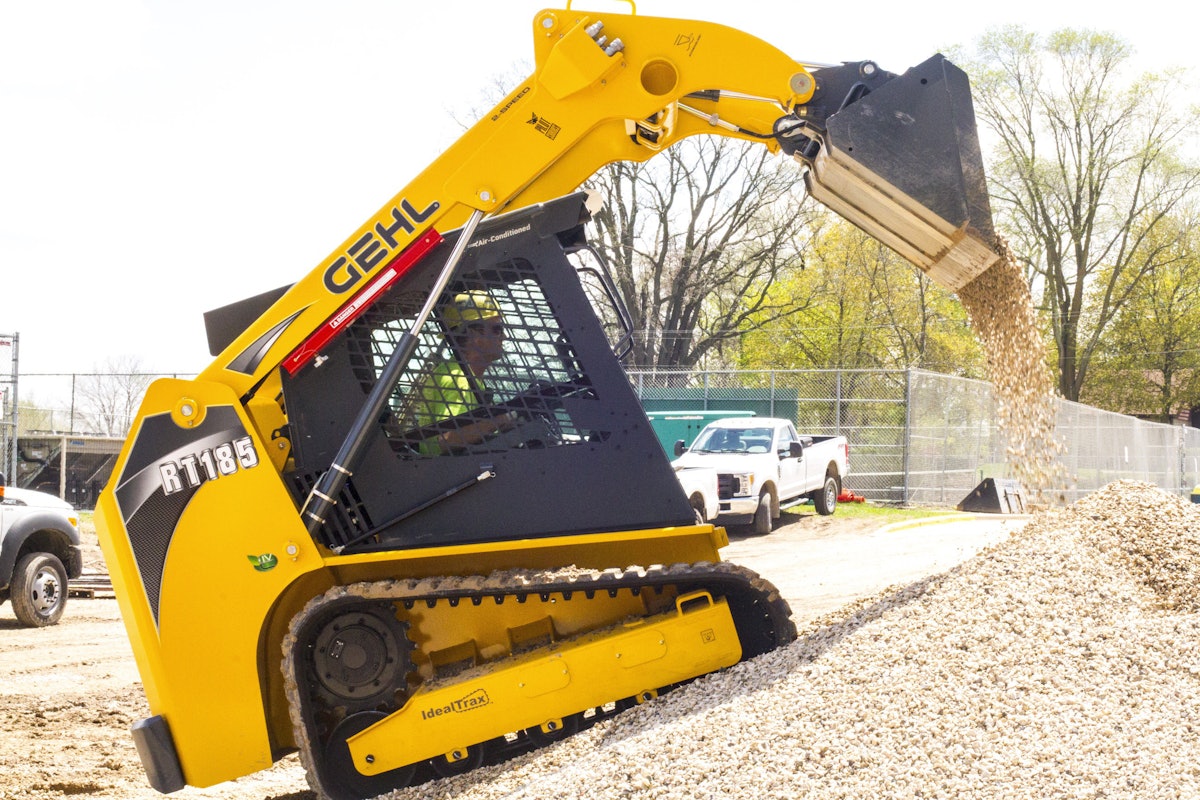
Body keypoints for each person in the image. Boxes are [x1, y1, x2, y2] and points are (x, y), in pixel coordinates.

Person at [412, 290, 518, 453]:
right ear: (473, 334)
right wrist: (503, 417)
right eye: (497, 329)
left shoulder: (466, 375)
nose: (504, 337)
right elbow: (448, 439)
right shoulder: (458, 378)